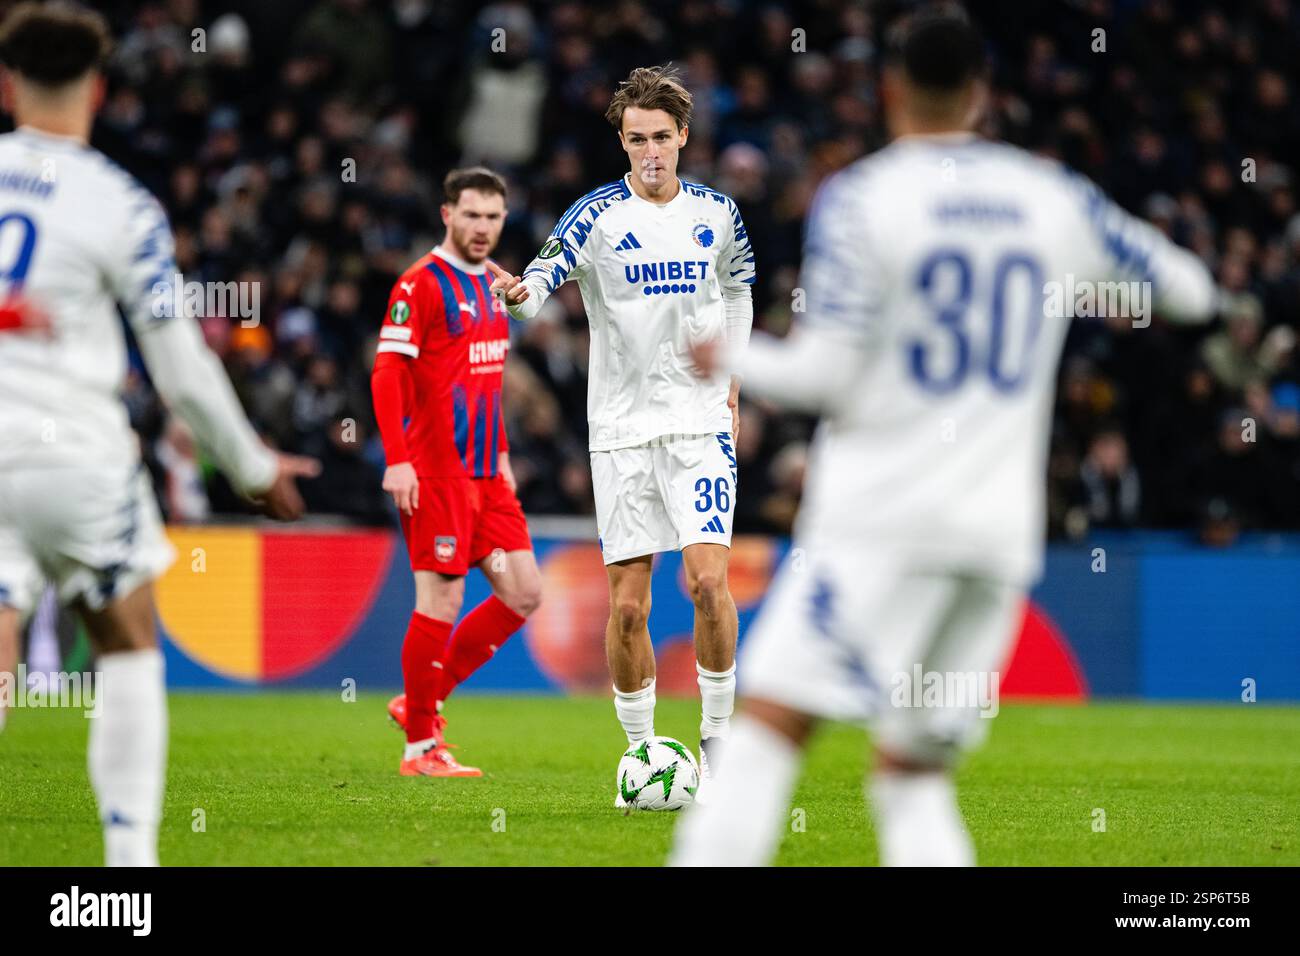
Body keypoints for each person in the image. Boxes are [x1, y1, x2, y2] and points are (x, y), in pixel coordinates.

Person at [670, 6, 1216, 865]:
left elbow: (829, 377)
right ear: (983, 94)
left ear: (888, 88)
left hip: (883, 520)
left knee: (768, 729)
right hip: (998, 535)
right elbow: (1187, 291)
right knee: (913, 775)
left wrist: (731, 354)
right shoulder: (1052, 196)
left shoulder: (864, 196)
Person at [0, 1, 316, 866]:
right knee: (128, 636)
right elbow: (180, 368)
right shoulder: (119, 203)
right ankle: (128, 870)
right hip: (73, 452)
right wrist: (253, 466)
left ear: (6, 84)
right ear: (98, 91)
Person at [488, 65, 755, 803]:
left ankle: (719, 741)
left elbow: (738, 288)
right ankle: (641, 753)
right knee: (629, 607)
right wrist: (520, 296)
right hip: (621, 430)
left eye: (661, 138)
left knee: (707, 581)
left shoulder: (718, 214)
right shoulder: (596, 216)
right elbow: (542, 277)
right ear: (622, 141)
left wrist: (731, 379)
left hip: (699, 423)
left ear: (684, 138)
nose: (650, 152)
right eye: (636, 139)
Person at [372, 167, 542, 778]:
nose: (483, 227)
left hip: (485, 476)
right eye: (471, 214)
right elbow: (388, 372)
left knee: (523, 591)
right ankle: (420, 748)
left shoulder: (496, 288)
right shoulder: (419, 284)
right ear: (447, 214)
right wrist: (396, 457)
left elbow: (484, 381)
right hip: (436, 472)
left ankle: (422, 701)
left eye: (494, 217)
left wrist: (499, 456)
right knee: (440, 599)